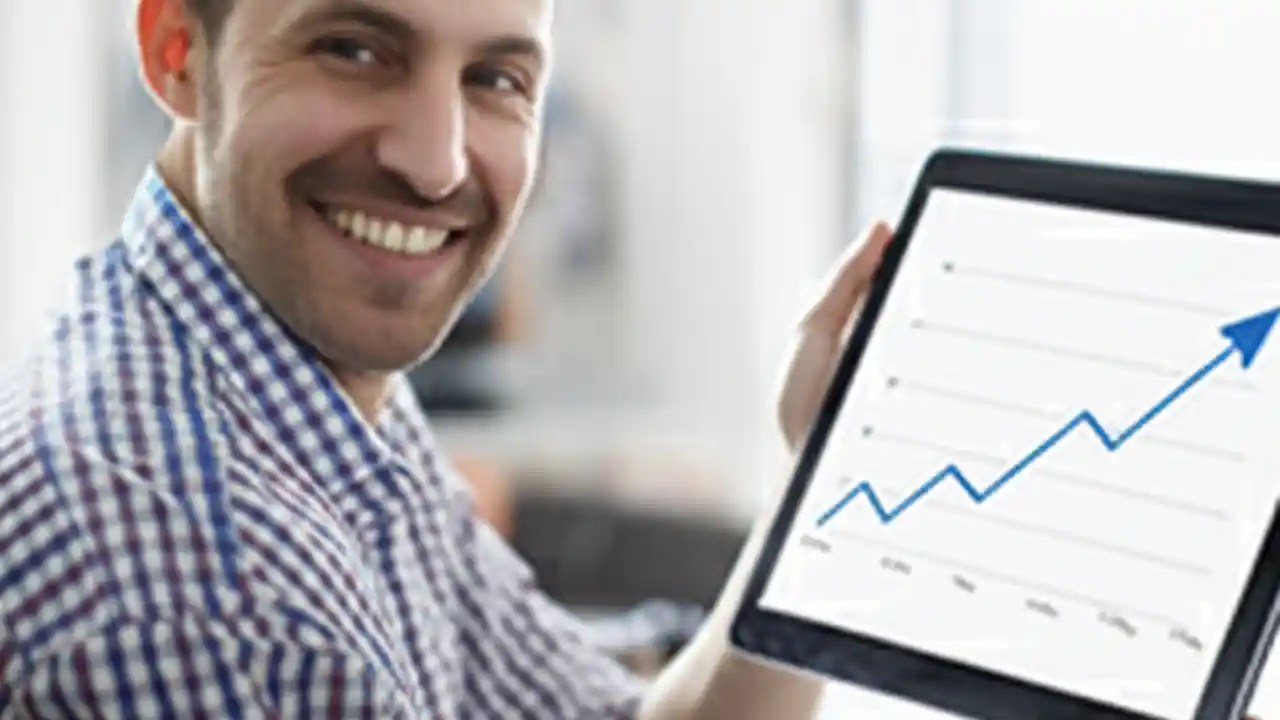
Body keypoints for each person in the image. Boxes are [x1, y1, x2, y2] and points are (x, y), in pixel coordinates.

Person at [0, 0, 893, 716]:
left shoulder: (299, 385)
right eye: (352, 49)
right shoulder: (223, 605)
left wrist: (812, 479)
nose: (435, 163)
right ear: (175, 52)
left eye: (496, 77)